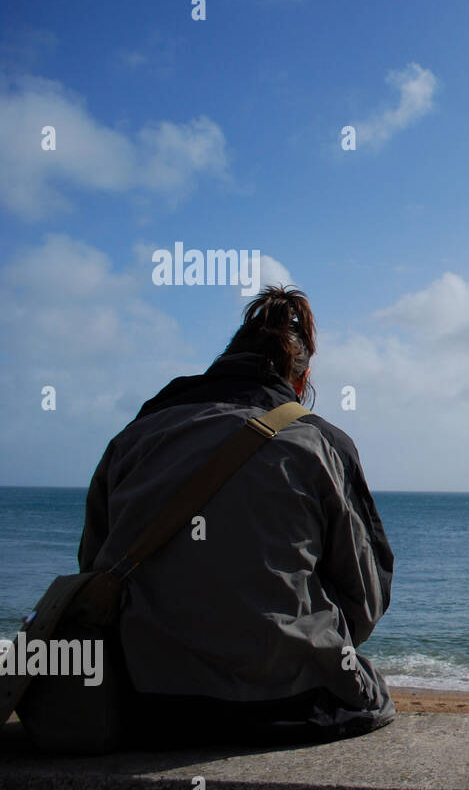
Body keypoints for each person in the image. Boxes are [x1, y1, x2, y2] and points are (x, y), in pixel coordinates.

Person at [76, 285, 395, 746]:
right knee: (371, 694)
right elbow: (365, 599)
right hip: (291, 704)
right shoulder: (320, 443)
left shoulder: (135, 437)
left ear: (222, 362)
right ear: (301, 380)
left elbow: (93, 568)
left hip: (143, 703)